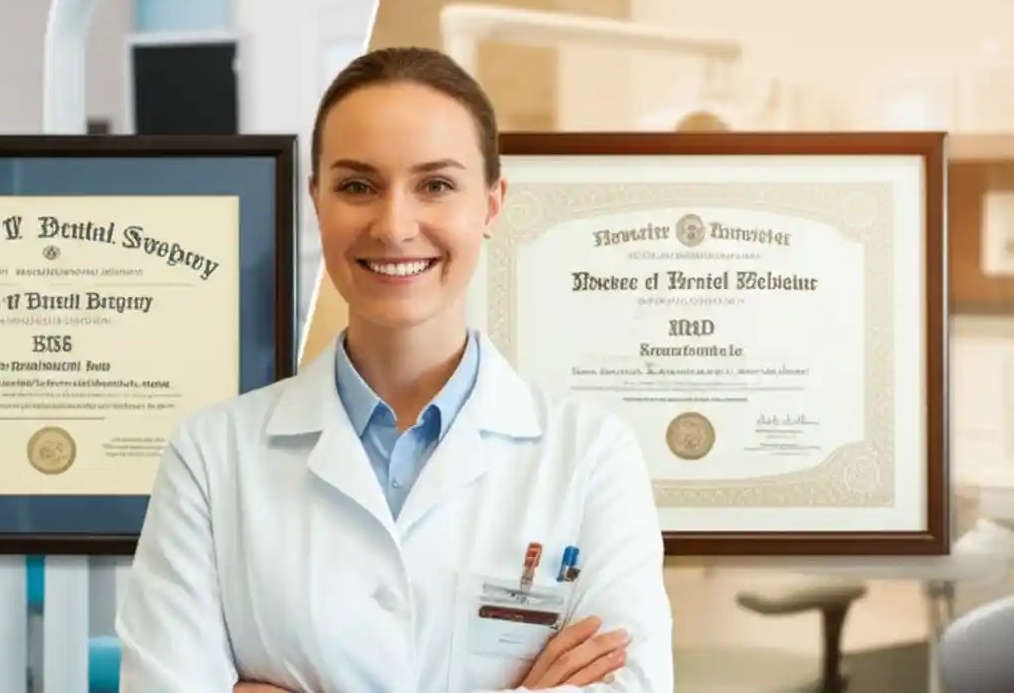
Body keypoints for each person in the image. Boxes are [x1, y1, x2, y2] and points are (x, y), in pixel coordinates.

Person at [116, 46, 674, 692]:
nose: (395, 225)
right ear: (316, 201)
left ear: (491, 204)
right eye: (358, 186)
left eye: (435, 185)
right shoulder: (212, 455)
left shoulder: (589, 455)